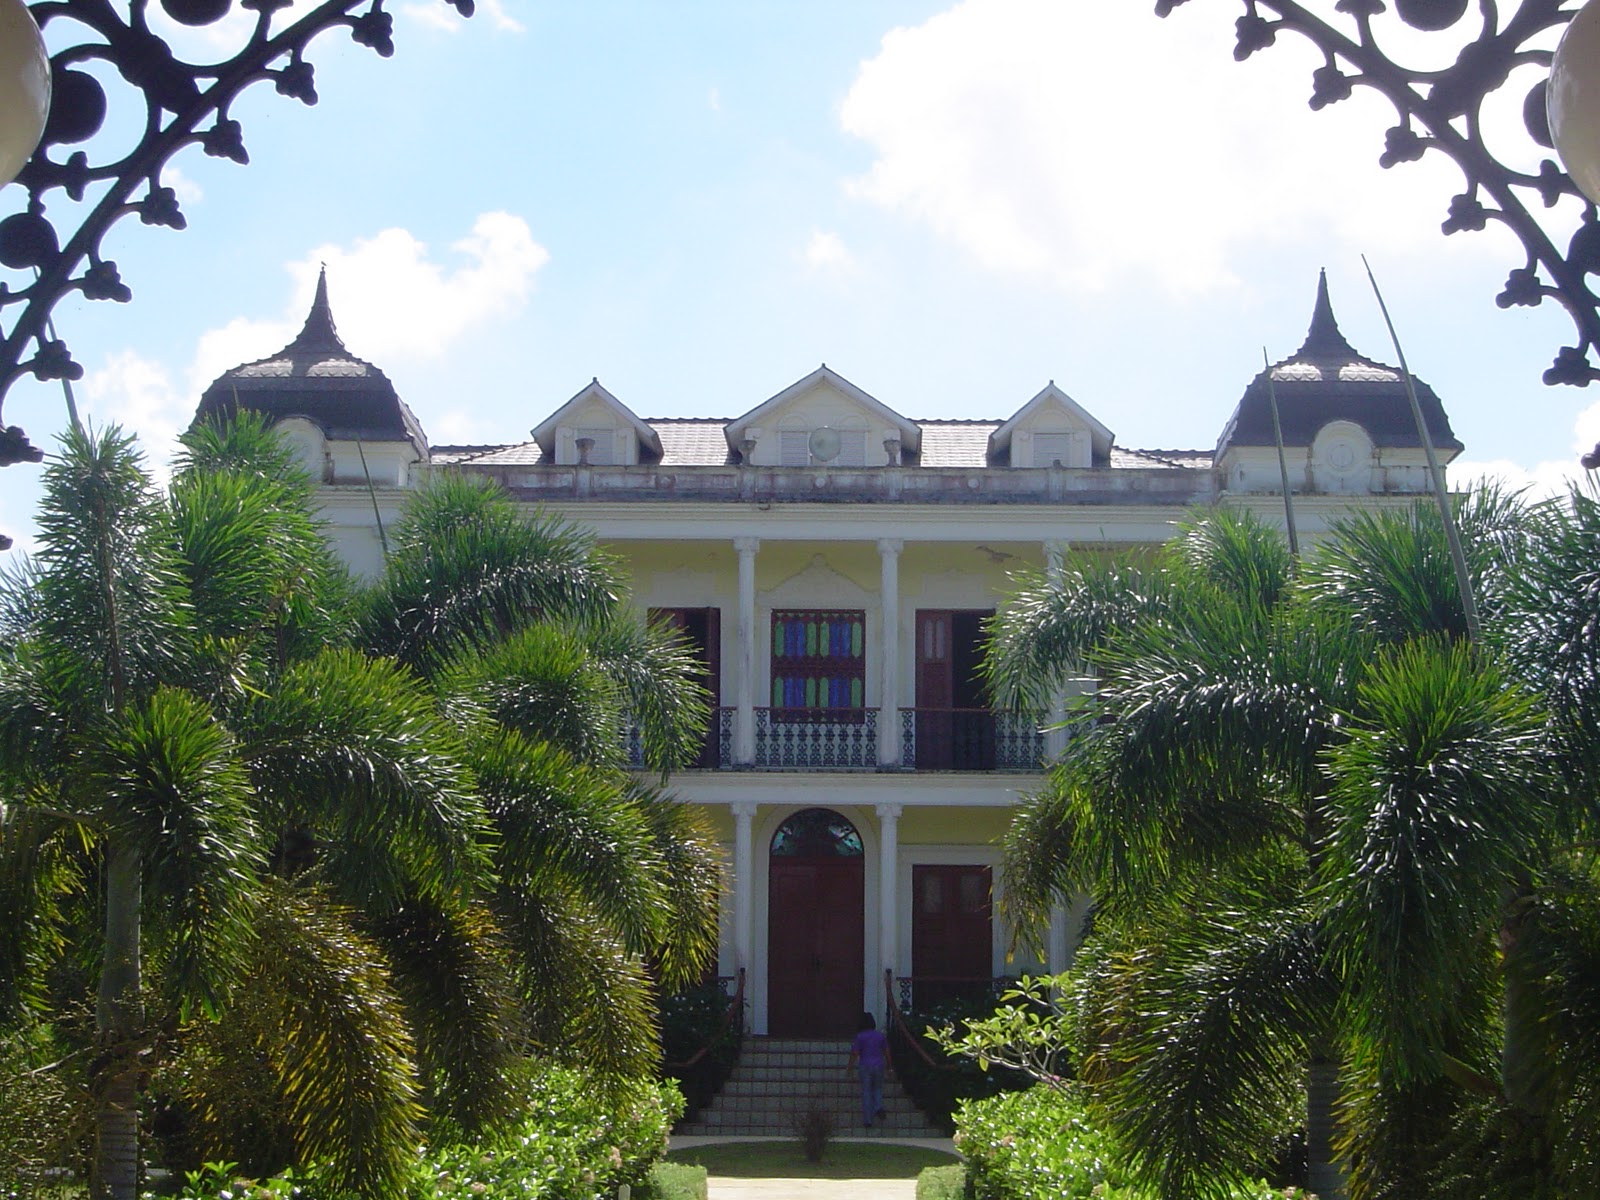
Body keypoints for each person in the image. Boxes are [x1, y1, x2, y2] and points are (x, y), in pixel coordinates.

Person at [847, 1011, 891, 1128]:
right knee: (877, 1089)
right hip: (879, 1065)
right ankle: (878, 1106)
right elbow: (886, 1052)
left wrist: (850, 1067)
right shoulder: (880, 1036)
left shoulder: (860, 1036)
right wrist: (889, 1066)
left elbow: (855, 1053)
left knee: (866, 1091)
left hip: (865, 1065)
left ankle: (868, 1120)